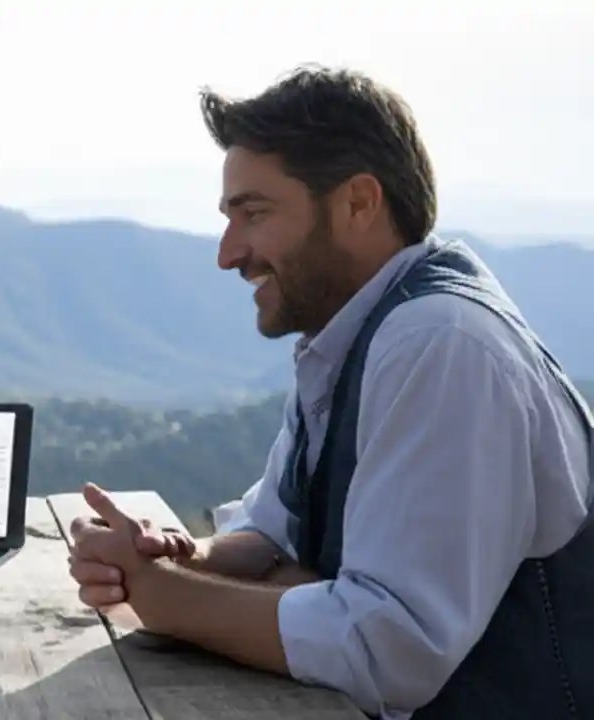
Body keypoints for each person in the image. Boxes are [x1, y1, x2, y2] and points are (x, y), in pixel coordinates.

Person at [68, 65, 594, 720]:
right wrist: (175, 554)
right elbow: (276, 536)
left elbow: (389, 648)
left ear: (358, 203)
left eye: (253, 214)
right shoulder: (354, 333)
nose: (229, 254)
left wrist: (162, 594)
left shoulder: (441, 344)